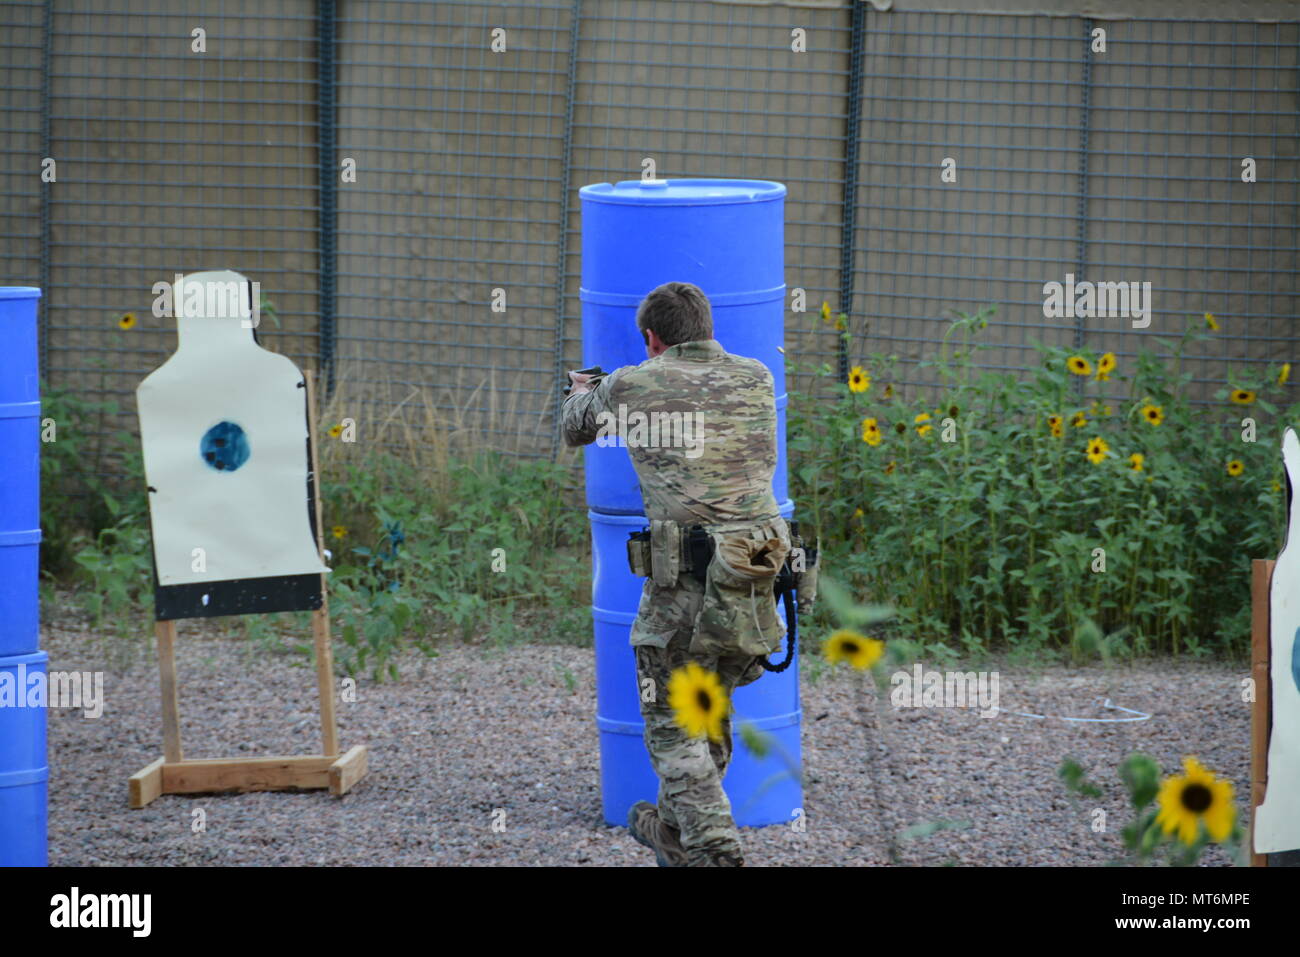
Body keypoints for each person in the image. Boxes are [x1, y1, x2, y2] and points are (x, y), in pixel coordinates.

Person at [561, 280, 790, 867]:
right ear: (711, 328)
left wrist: (587, 386)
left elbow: (576, 426)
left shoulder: (634, 383)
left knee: (670, 723)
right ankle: (670, 832)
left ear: (650, 338)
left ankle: (716, 850)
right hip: (759, 578)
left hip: (689, 583)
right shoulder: (758, 376)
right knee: (706, 704)